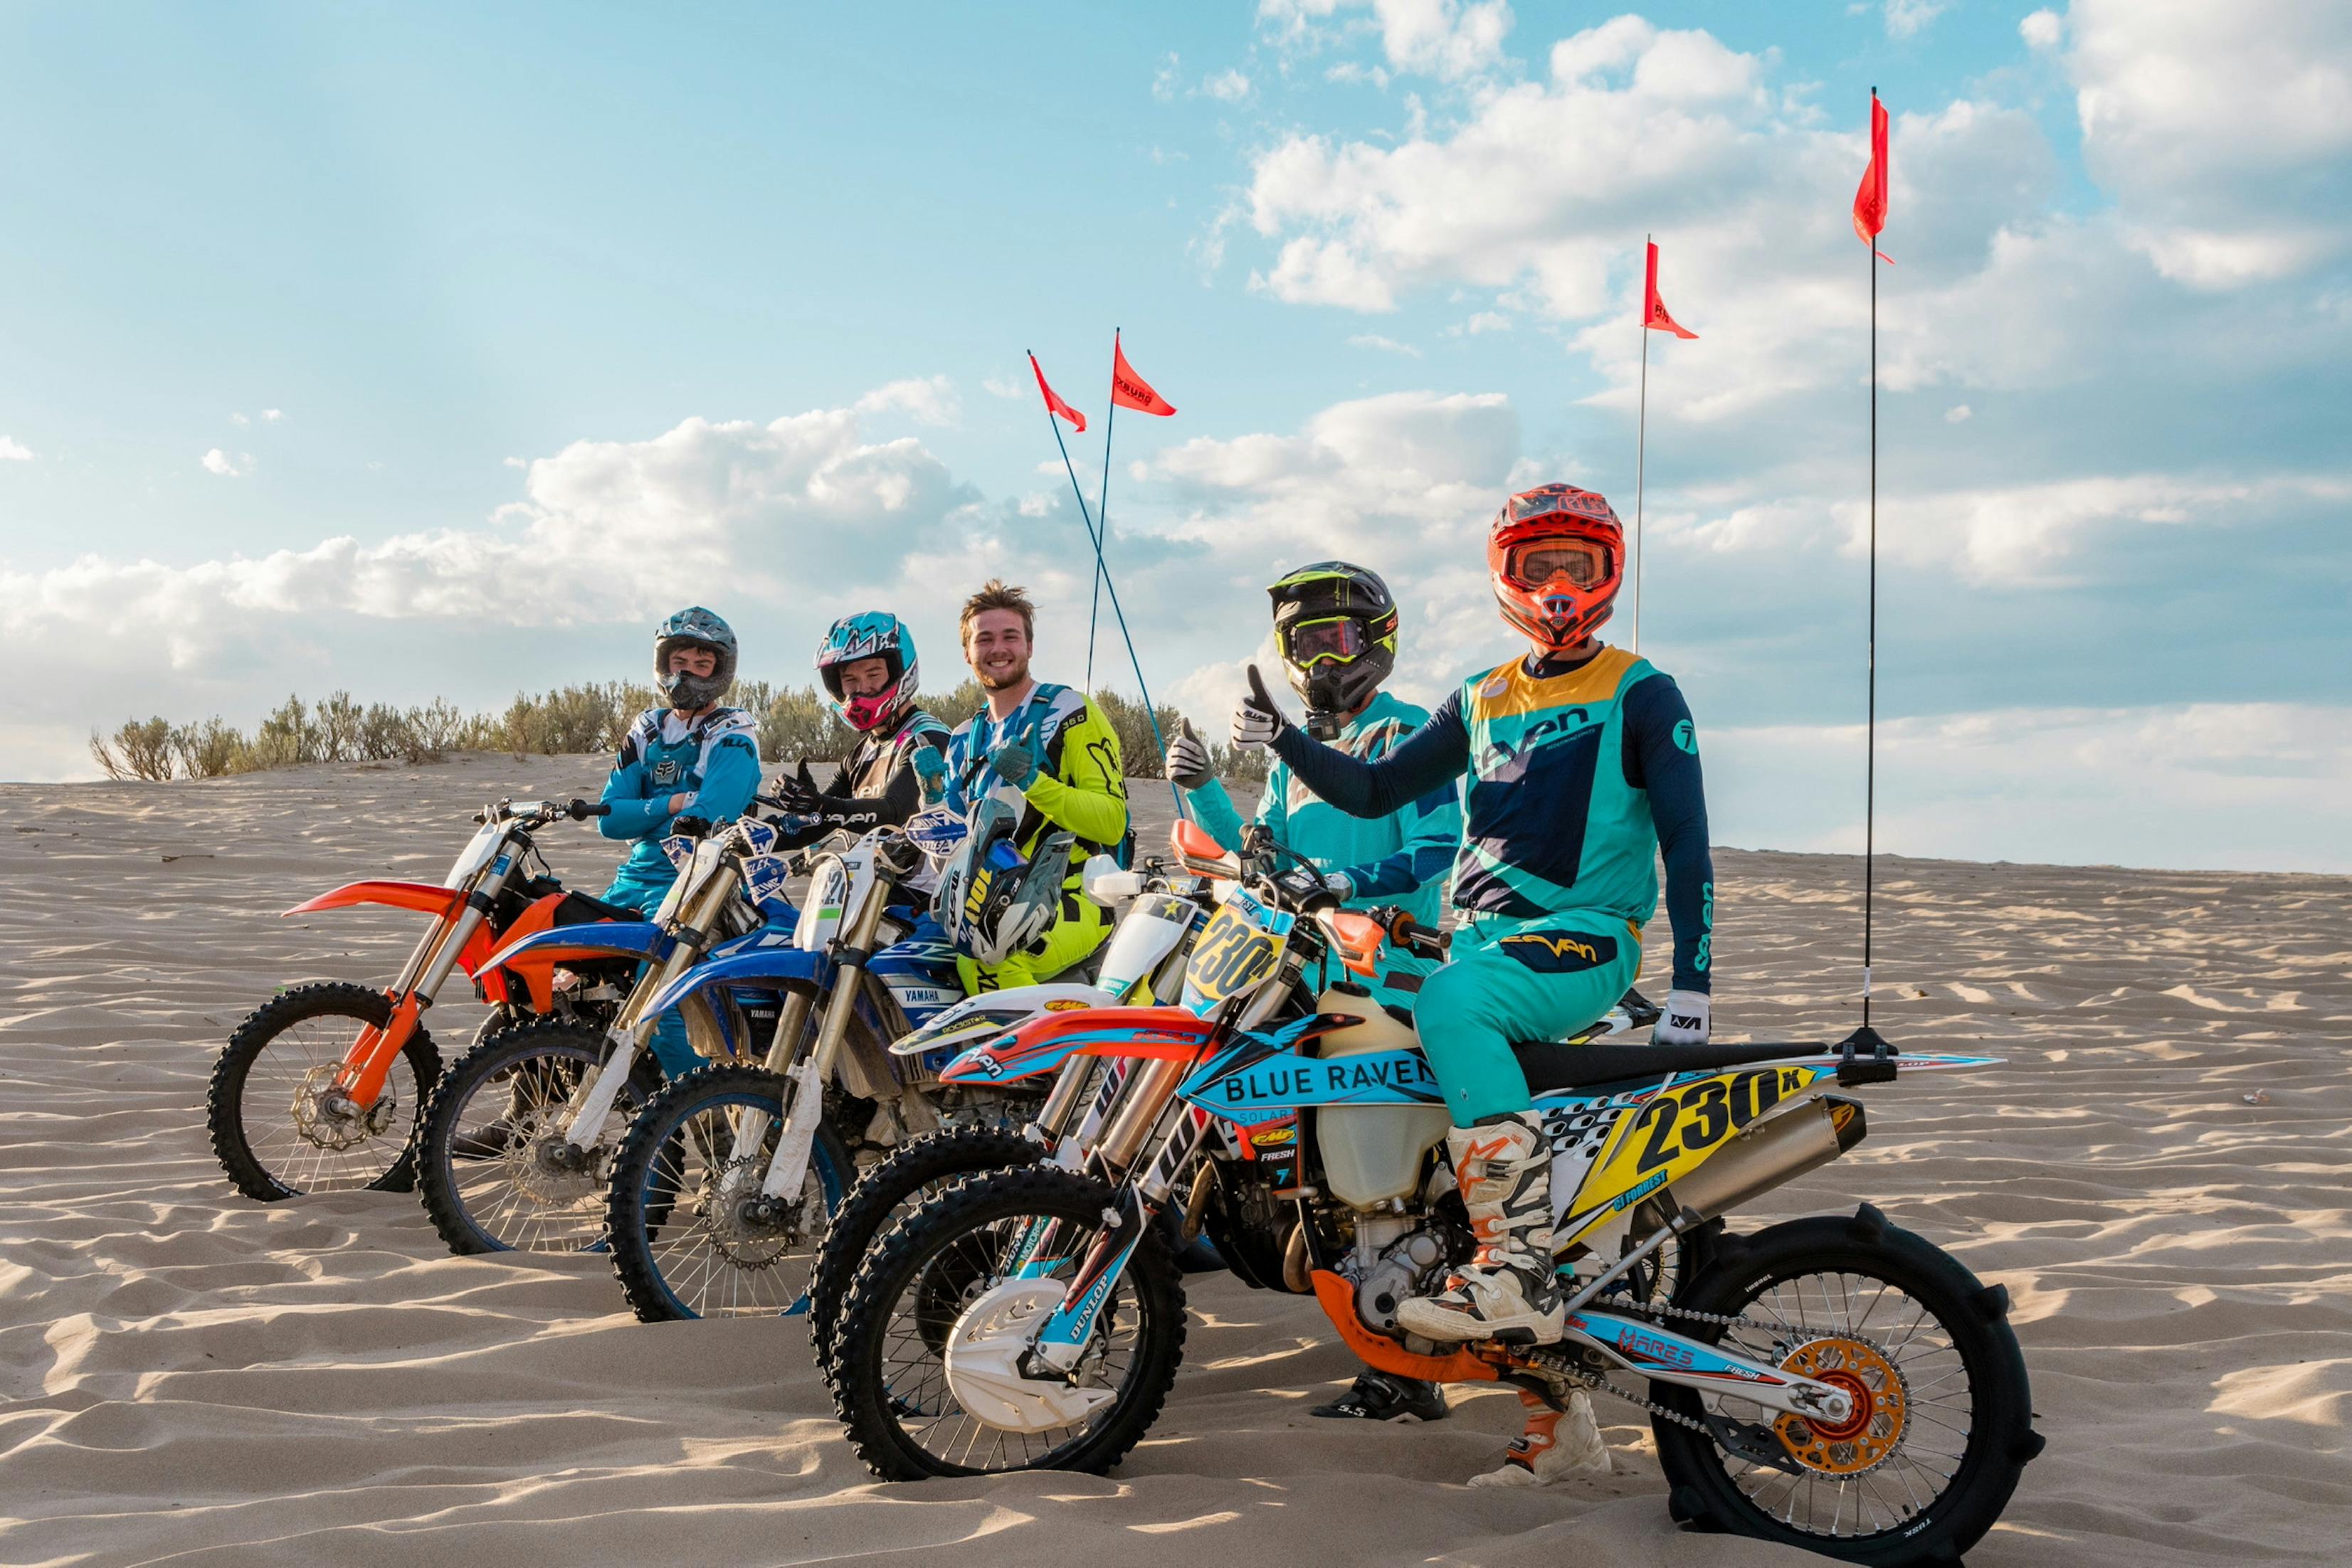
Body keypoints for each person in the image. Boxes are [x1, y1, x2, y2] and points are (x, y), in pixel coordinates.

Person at [1230, 484, 1715, 1485]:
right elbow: (1373, 788)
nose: (1556, 586)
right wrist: (1282, 740)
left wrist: (1694, 988)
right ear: (1506, 577)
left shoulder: (1640, 690)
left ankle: (1518, 1267)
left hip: (1580, 942)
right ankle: (1557, 1425)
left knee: (1450, 1007)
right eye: (1537, 566)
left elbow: (1689, 848)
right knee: (1406, 1108)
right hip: (1482, 948)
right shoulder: (1483, 695)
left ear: (1608, 574)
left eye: (1575, 565)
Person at [1163, 561, 1462, 1426]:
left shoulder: (1411, 733)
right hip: (1296, 976)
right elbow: (1256, 851)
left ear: (1375, 642)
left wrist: (1346, 879)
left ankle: (1408, 1370)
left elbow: (1437, 846)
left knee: (1389, 1187)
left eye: (1336, 638)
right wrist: (1199, 783)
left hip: (1392, 976)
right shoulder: (1296, 760)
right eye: (1305, 642)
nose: (1323, 658)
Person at [596, 607, 764, 1079]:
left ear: (720, 671)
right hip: (631, 883)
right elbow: (609, 820)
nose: (687, 672)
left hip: (699, 888)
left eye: (701, 663)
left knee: (663, 1009)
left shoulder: (733, 732)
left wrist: (647, 813)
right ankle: (524, 1108)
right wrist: (670, 806)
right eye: (679, 661)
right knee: (563, 975)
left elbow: (710, 817)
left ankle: (681, 1121)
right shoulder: (647, 729)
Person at [939, 580, 1129, 991]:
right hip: (983, 901)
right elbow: (953, 848)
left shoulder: (1070, 711)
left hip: (1074, 894)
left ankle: (1018, 1059)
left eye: (1010, 636)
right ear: (968, 653)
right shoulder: (961, 739)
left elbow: (1112, 822)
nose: (998, 648)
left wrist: (1031, 781)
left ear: (1029, 645)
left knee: (992, 961)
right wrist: (935, 797)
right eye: (984, 639)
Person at [771, 612, 951, 849]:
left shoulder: (928, 738)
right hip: (872, 881)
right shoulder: (860, 755)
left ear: (899, 672)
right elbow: (823, 822)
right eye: (850, 679)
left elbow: (893, 813)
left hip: (924, 884)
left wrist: (821, 806)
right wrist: (764, 833)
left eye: (873, 675)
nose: (861, 688)